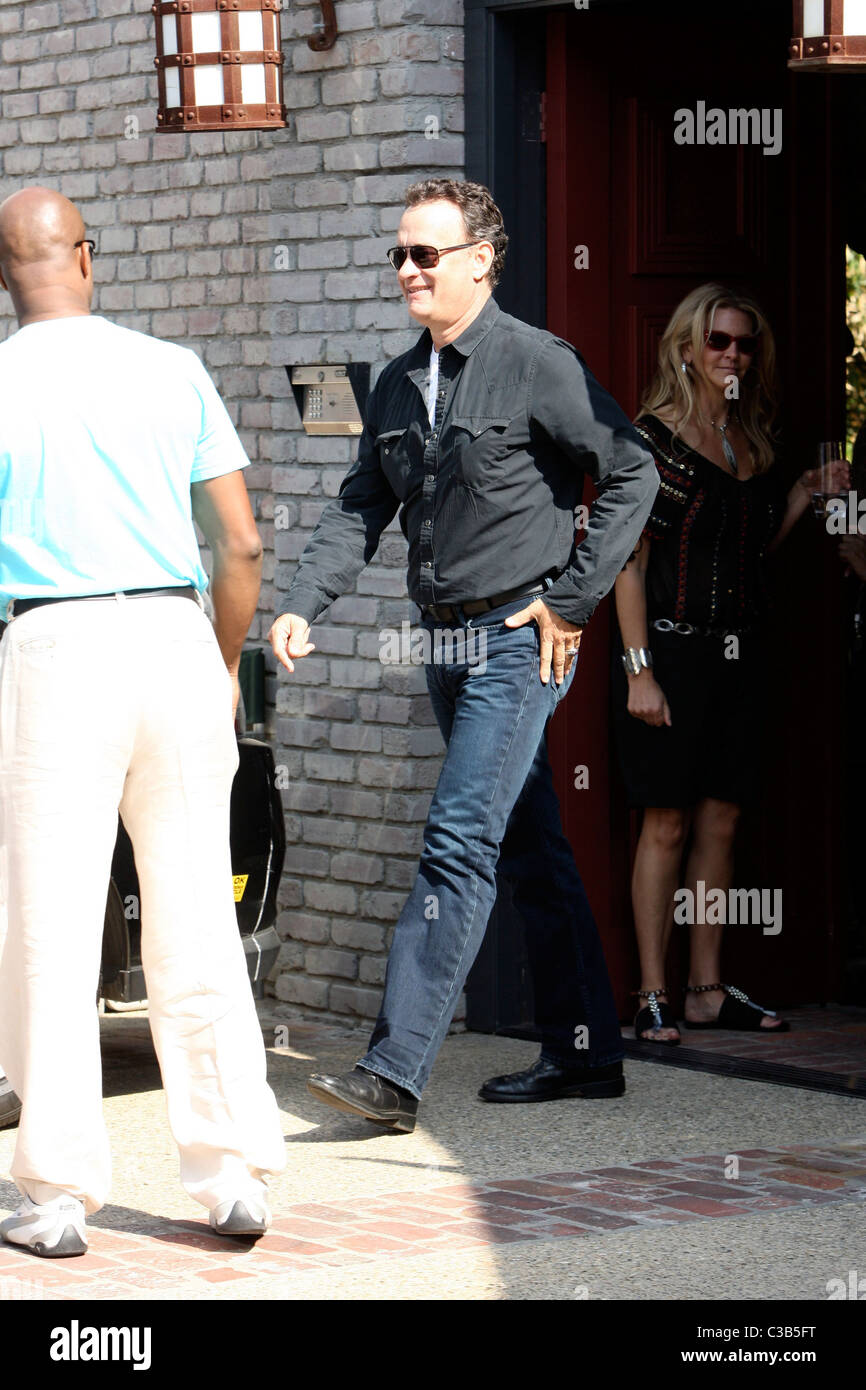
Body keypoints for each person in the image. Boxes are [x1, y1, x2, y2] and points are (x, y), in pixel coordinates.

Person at [269, 178, 658, 1131]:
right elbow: (364, 503)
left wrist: (570, 601)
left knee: (456, 839)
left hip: (515, 644)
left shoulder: (536, 364)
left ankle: (394, 1073)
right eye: (399, 254)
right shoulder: (401, 381)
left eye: (425, 255)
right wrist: (304, 602)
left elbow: (632, 469)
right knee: (526, 841)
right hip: (444, 641)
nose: (406, 270)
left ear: (481, 259)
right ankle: (584, 1051)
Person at [0, 188, 285, 1258]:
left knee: (52, 926)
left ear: (2, 275)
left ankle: (56, 1195)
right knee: (196, 916)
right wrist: (217, 660)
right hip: (173, 634)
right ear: (89, 256)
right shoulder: (172, 369)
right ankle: (229, 1175)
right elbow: (243, 545)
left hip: (54, 644)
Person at [612, 283, 849, 1044]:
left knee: (721, 820)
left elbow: (751, 555)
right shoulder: (658, 439)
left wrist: (804, 494)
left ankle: (706, 990)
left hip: (740, 654)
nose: (732, 355)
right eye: (718, 341)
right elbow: (628, 563)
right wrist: (638, 669)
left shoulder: (752, 441)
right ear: (687, 348)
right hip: (672, 652)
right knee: (667, 822)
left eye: (744, 343)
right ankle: (653, 992)